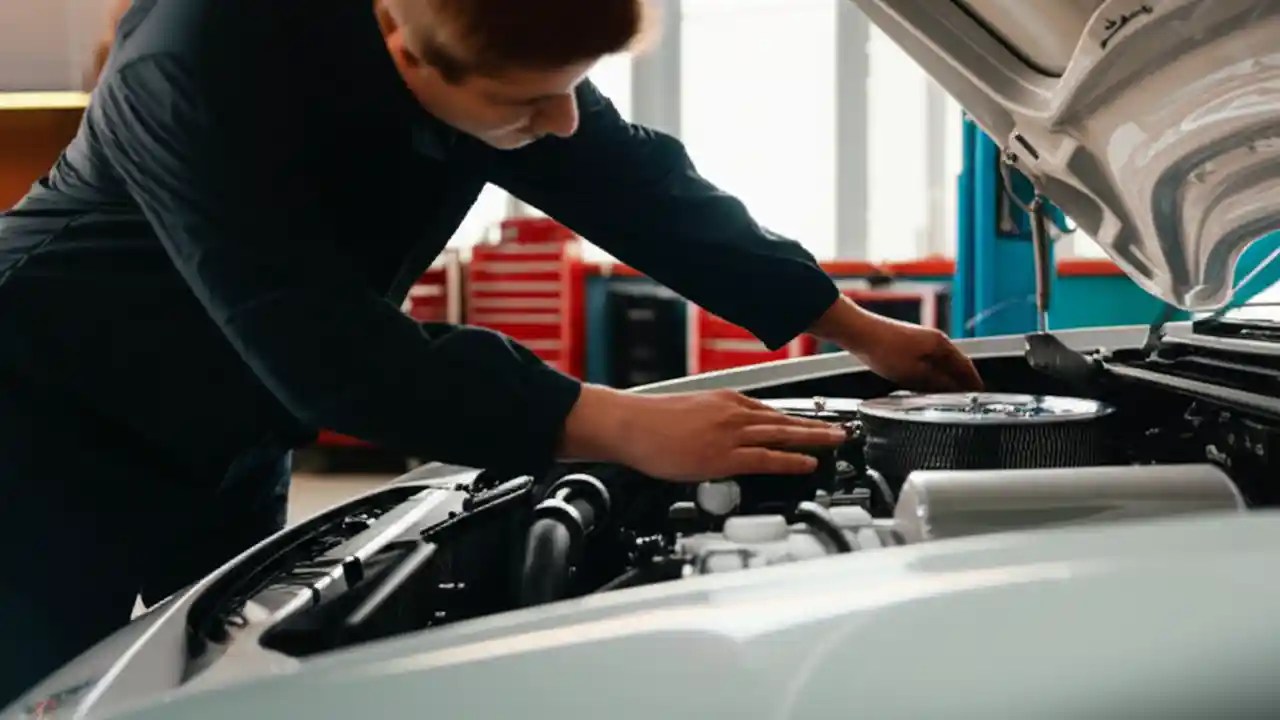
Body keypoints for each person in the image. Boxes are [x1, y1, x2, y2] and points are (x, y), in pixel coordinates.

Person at [0, 0, 981, 705]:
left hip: (235, 416)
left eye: (573, 91)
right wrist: (619, 426)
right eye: (528, 106)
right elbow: (321, 337)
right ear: (403, 47)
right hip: (44, 414)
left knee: (234, 678)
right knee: (50, 685)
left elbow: (636, 185)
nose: (558, 123)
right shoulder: (194, 61)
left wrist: (851, 324)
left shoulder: (485, 37)